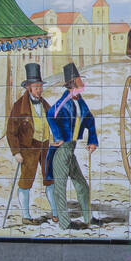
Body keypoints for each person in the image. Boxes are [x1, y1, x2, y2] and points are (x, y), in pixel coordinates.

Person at [46, 63, 97, 231]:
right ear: (73, 83)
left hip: (71, 150)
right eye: (79, 80)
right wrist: (59, 137)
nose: (83, 83)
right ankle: (65, 223)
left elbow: (90, 120)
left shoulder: (80, 102)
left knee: (82, 185)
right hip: (62, 151)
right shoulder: (64, 101)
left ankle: (89, 218)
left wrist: (92, 140)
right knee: (60, 187)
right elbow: (50, 115)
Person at [6, 63, 57, 225]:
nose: (39, 90)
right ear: (28, 87)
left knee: (50, 179)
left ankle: (55, 213)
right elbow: (11, 132)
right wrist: (16, 152)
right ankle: (26, 216)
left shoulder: (44, 103)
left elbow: (53, 121)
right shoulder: (18, 107)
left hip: (45, 146)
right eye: (36, 87)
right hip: (29, 148)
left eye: (40, 86)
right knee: (26, 181)